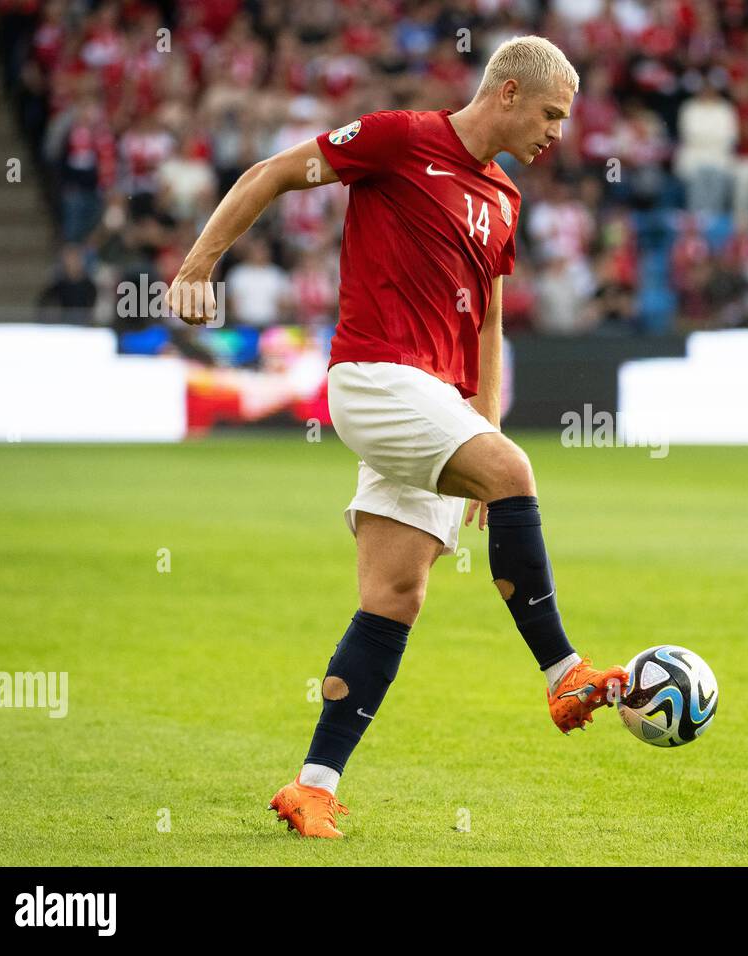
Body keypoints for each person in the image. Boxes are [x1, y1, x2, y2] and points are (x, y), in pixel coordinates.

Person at [165, 36, 630, 839]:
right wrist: (199, 264)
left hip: (438, 403)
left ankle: (312, 785)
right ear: (509, 92)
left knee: (395, 597)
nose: (558, 133)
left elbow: (485, 320)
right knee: (516, 472)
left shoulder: (505, 200)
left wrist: (481, 427)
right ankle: (563, 672)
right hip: (377, 378)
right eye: (552, 114)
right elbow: (271, 173)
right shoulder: (400, 139)